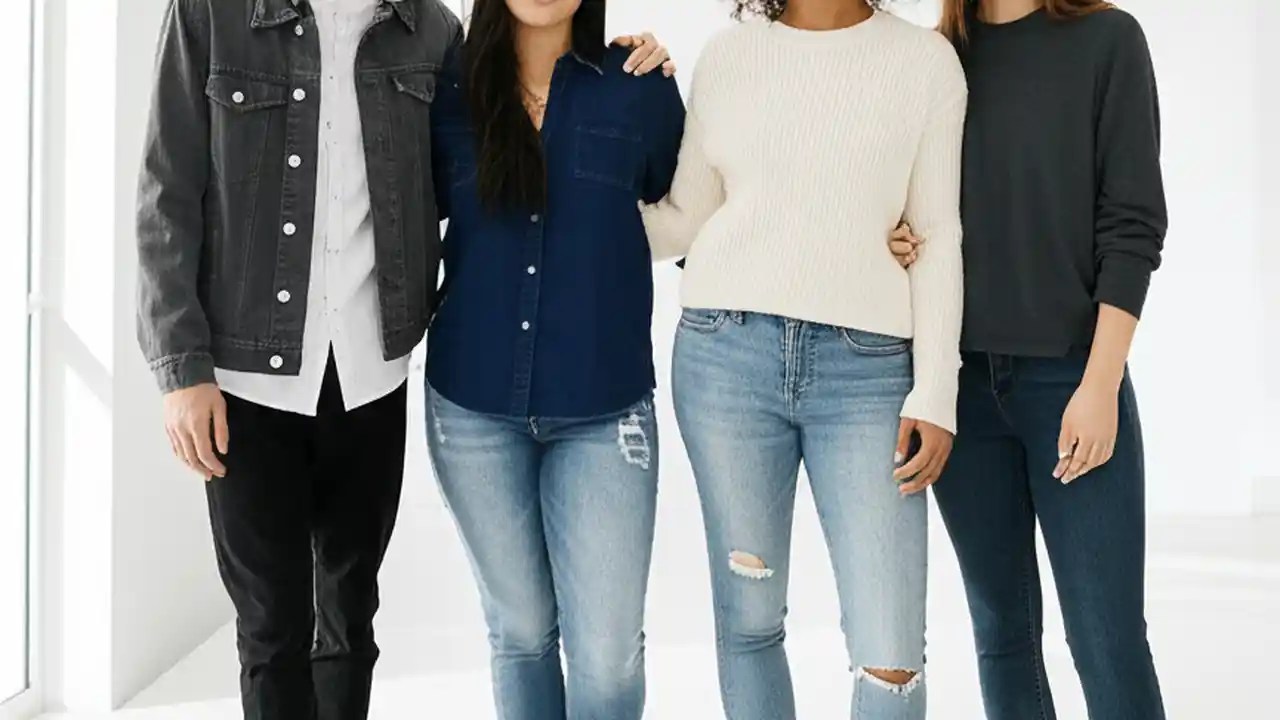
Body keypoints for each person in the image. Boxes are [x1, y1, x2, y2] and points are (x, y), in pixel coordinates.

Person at [135, 0, 670, 717]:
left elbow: (521, 176)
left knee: (351, 619)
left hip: (372, 376)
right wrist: (181, 365)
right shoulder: (212, 12)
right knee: (271, 631)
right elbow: (166, 191)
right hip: (247, 379)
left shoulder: (429, 31)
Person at [640, 0, 967, 717]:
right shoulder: (729, 55)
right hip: (726, 359)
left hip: (869, 375)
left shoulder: (925, 63)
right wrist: (568, 206)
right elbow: (685, 221)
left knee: (891, 655)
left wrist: (936, 391)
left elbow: (938, 231)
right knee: (749, 625)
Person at [890, 1, 1168, 718]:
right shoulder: (934, 57)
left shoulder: (1109, 40)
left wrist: (1101, 383)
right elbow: (898, 203)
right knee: (1002, 635)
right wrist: (890, 237)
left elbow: (1133, 225)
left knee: (1106, 639)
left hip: (1070, 379)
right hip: (959, 392)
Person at [422, 1, 684, 718]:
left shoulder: (638, 85)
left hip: (604, 409)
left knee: (608, 657)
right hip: (471, 408)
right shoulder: (446, 89)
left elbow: (703, 215)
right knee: (520, 634)